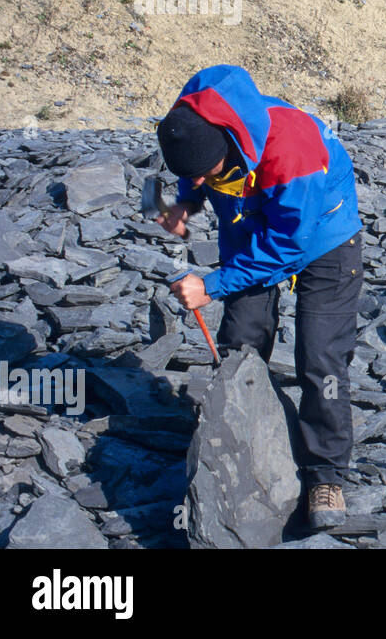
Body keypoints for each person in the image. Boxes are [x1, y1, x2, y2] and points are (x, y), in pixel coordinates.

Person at [154, 65, 364, 530]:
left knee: (321, 358)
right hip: (248, 220)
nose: (204, 180)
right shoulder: (192, 116)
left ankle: (325, 475)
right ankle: (229, 434)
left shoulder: (294, 151)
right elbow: (195, 166)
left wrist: (210, 285)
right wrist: (188, 199)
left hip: (324, 233)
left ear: (231, 145)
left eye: (210, 173)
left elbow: (289, 247)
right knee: (240, 340)